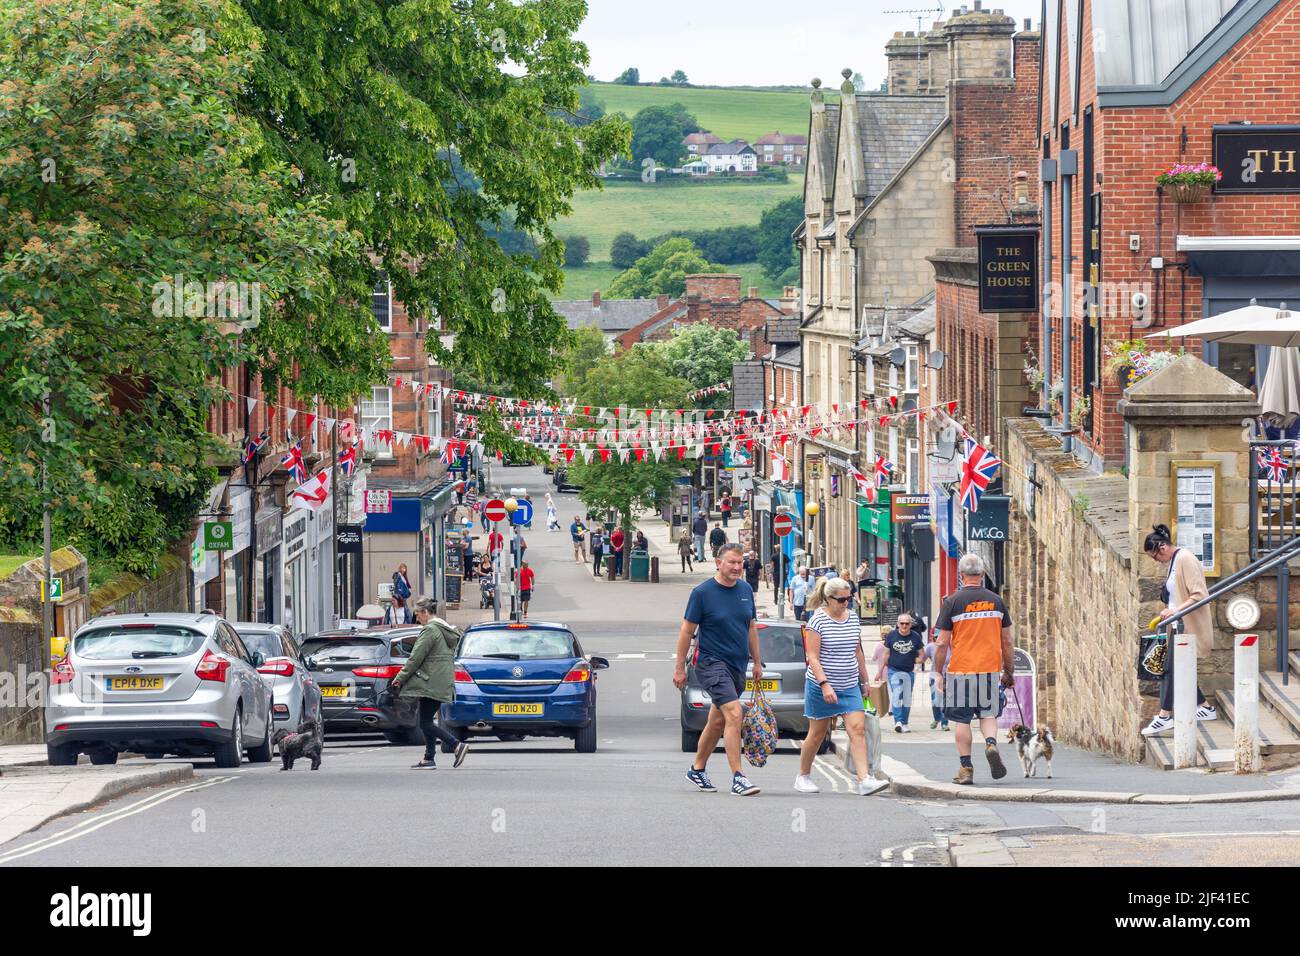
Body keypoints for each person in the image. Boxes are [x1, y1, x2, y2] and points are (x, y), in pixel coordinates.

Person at [674, 543, 765, 796]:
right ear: (718, 563)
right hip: (711, 663)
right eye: (731, 562)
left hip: (737, 665)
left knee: (717, 721)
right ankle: (739, 777)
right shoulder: (702, 593)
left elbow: (750, 628)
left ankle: (697, 768)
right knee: (735, 713)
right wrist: (679, 668)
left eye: (740, 563)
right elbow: (686, 632)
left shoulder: (746, 590)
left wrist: (757, 662)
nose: (737, 567)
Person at [795, 577, 889, 796]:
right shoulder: (817, 621)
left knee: (857, 729)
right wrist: (825, 685)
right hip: (821, 687)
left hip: (849, 685)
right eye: (841, 599)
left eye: (848, 598)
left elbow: (857, 652)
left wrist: (864, 681)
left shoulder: (853, 618)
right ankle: (803, 776)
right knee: (817, 735)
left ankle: (864, 779)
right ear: (828, 599)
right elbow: (813, 658)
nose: (846, 602)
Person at [934, 553, 1014, 785]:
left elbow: (941, 642)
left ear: (961, 575)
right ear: (981, 574)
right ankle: (990, 743)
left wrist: (938, 672)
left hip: (961, 670)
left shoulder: (952, 602)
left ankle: (966, 768)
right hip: (989, 669)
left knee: (962, 721)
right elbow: (1007, 641)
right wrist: (1009, 671)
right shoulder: (996, 601)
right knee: (988, 715)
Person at [1141, 524, 1218, 736]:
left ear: (1162, 547)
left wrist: (1174, 610)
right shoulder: (1175, 560)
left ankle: (1165, 715)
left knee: (1170, 670)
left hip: (1186, 625)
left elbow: (1199, 594)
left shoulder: (1185, 559)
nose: (1156, 561)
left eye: (1155, 557)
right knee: (1176, 668)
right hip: (1177, 624)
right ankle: (1204, 707)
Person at [392, 599, 468, 770]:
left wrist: (399, 679)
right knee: (426, 720)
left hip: (431, 682)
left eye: (417, 614)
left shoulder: (430, 630)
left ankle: (456, 745)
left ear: (425, 613)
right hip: (440, 681)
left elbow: (415, 658)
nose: (416, 618)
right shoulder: (443, 629)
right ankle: (429, 758)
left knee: (425, 722)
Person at [875, 613, 925, 733]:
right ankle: (898, 721)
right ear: (897, 624)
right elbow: (885, 654)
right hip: (894, 670)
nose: (904, 626)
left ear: (910, 624)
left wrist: (916, 661)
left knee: (906, 698)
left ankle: (905, 723)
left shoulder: (915, 637)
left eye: (907, 623)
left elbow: (922, 655)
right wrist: (880, 671)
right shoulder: (892, 635)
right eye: (901, 623)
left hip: (909, 672)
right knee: (897, 694)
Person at [924, 629, 949, 731]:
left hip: (949, 676)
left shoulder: (950, 646)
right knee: (935, 700)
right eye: (936, 637)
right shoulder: (930, 646)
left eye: (940, 636)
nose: (938, 639)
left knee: (945, 701)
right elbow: (922, 658)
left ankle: (944, 722)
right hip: (934, 676)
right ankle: (936, 718)